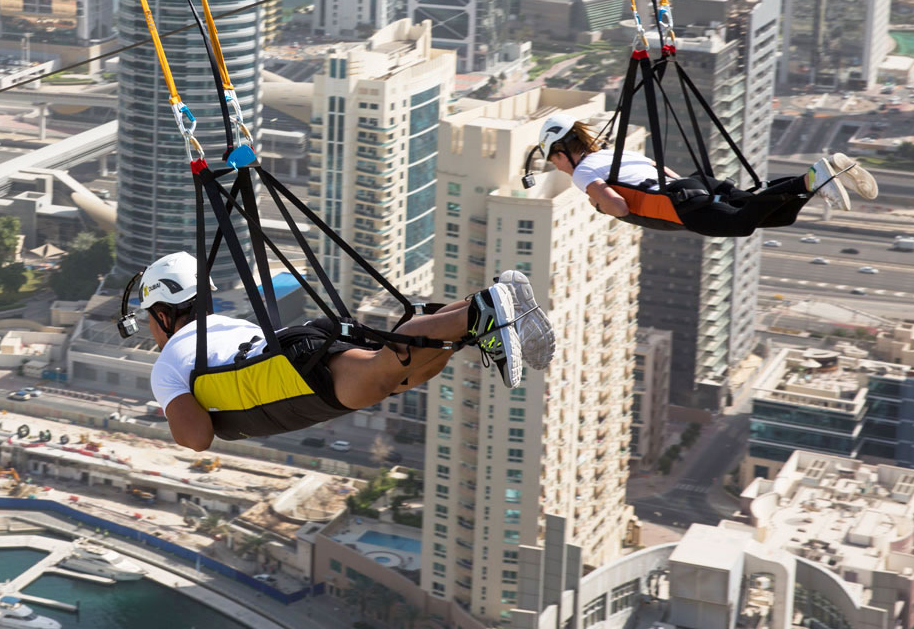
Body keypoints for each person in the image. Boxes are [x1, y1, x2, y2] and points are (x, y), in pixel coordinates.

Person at [137, 252, 555, 451]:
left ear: (161, 313)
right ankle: (485, 308)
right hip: (296, 348)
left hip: (289, 370)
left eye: (148, 319)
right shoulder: (228, 326)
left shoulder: (169, 362)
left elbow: (196, 438)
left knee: (381, 374)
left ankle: (484, 307)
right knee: (401, 375)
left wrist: (172, 405)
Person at [536, 116, 878, 237]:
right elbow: (663, 170)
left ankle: (812, 178)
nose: (558, 167)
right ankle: (825, 177)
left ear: (563, 152)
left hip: (677, 203)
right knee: (774, 215)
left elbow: (620, 207)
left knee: (741, 224)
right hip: (689, 186)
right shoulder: (614, 153)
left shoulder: (583, 173)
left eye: (554, 160)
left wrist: (598, 202)